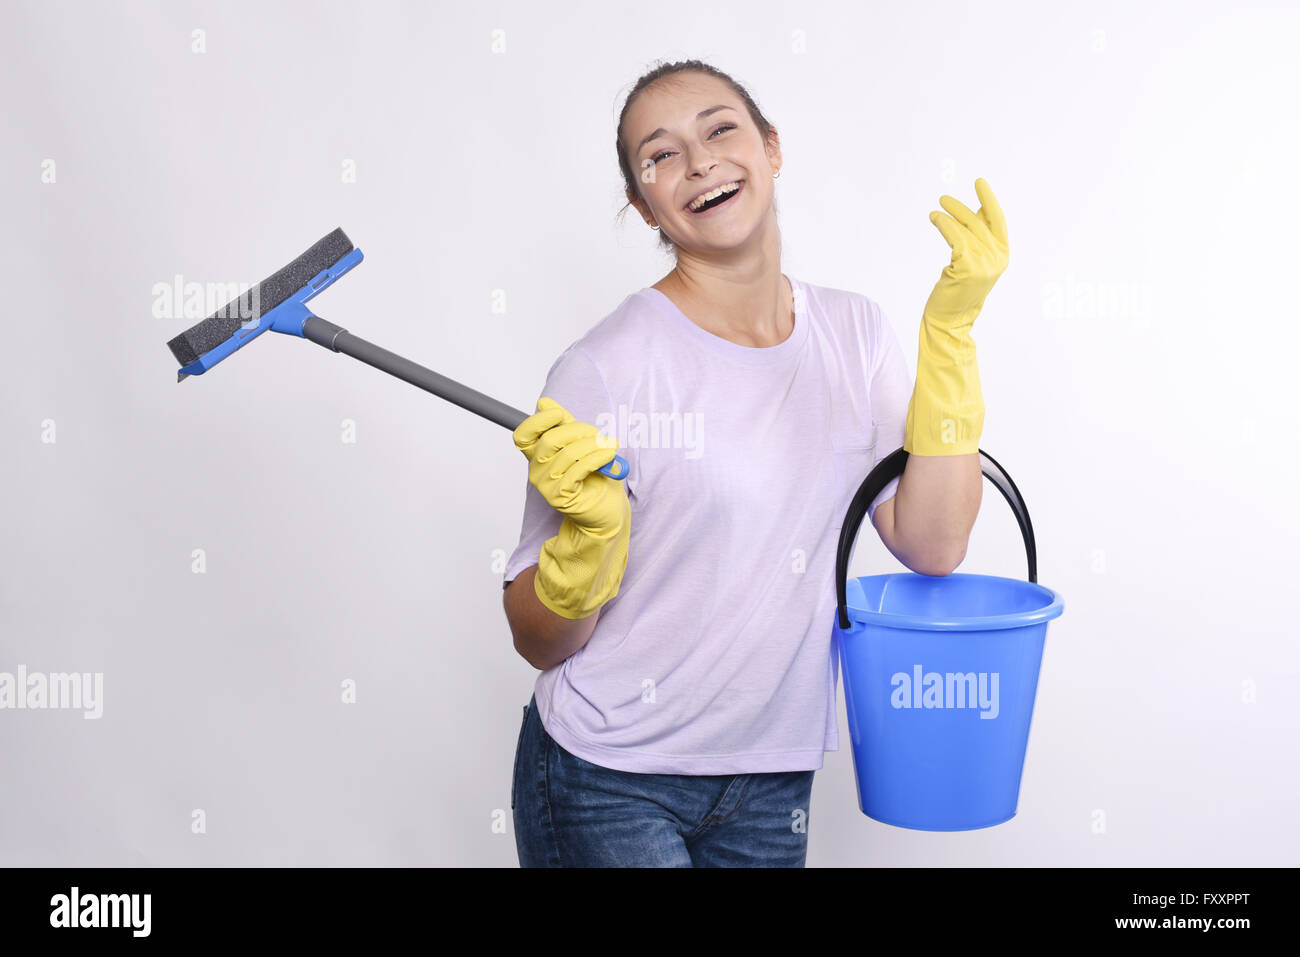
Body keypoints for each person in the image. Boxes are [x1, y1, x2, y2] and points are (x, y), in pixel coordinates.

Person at [501, 58, 1008, 867]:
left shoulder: (855, 333)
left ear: (772, 149)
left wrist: (948, 342)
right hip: (609, 774)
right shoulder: (606, 367)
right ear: (644, 205)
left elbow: (934, 543)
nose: (699, 161)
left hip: (772, 781)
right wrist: (582, 554)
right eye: (660, 155)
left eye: (720, 128)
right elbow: (537, 639)